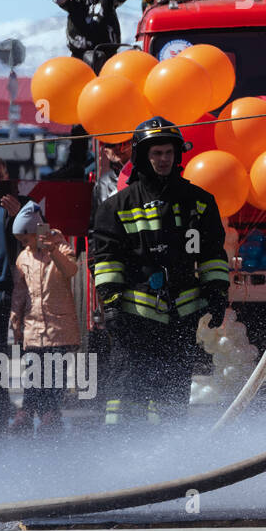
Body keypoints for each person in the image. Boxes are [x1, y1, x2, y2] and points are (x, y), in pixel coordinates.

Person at [90, 118, 229, 426]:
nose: (163, 159)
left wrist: (217, 292)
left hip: (181, 317)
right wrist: (111, 303)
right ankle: (123, 450)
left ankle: (168, 455)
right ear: (143, 156)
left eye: (168, 152)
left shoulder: (200, 202)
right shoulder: (117, 207)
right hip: (134, 319)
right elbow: (106, 258)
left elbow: (212, 254)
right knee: (127, 394)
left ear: (177, 155)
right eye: (156, 153)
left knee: (172, 396)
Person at [8, 203, 78, 435]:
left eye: (25, 238)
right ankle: (28, 414)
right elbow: (20, 290)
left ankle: (50, 416)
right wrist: (15, 317)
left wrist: (54, 250)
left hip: (60, 330)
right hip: (33, 328)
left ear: (36, 232)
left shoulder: (60, 247)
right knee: (33, 374)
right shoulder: (24, 258)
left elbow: (71, 271)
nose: (23, 244)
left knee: (54, 376)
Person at [0, 158, 27, 434]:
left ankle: (32, 407)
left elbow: (43, 239)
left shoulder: (23, 203)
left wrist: (20, 217)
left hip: (19, 289)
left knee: (32, 350)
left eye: (0, 176)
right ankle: (0, 407)